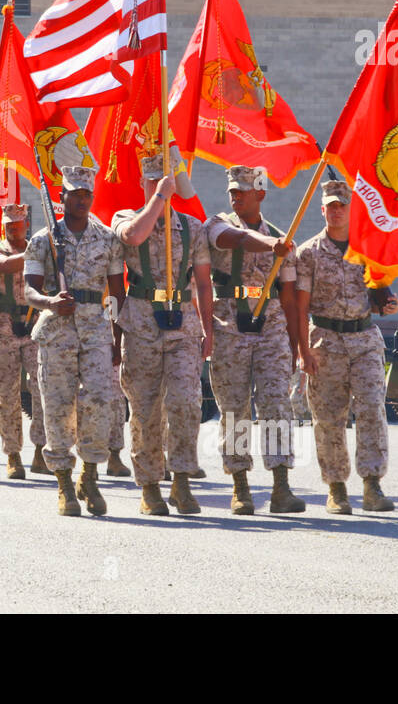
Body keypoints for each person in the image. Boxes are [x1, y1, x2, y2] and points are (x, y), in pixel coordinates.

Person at [111, 153, 214, 516]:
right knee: (145, 410)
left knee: (186, 402)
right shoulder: (125, 218)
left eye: (164, 180)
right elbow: (133, 235)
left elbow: (204, 283)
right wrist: (159, 198)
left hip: (183, 325)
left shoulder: (192, 227)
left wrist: (208, 329)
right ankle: (150, 485)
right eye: (152, 181)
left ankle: (181, 480)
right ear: (143, 184)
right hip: (141, 326)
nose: (159, 186)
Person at [23, 166, 126, 517]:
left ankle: (90, 475)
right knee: (57, 405)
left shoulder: (107, 239)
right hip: (57, 332)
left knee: (99, 399)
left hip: (96, 328)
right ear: (62, 197)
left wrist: (116, 335)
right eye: (75, 194)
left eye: (87, 194)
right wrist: (50, 302)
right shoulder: (44, 239)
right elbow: (29, 290)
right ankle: (64, 483)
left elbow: (117, 291)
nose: (82, 200)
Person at [296, 179, 398, 514]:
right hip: (325, 342)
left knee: (372, 410)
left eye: (342, 205)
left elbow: (380, 291)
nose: (337, 211)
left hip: (364, 340)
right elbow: (300, 306)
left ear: (351, 209)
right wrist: (302, 351)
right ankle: (336, 488)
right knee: (328, 416)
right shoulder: (308, 253)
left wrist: (388, 304)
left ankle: (372, 484)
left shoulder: (369, 248)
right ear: (322, 209)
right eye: (331, 206)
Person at [206, 165, 303, 515]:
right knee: (234, 408)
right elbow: (234, 239)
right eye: (232, 191)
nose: (235, 197)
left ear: (260, 194)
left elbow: (289, 297)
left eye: (242, 191)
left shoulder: (282, 239)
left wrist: (294, 345)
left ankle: (281, 486)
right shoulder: (217, 224)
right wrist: (271, 246)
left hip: (271, 329)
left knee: (277, 404)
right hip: (229, 325)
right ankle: (240, 487)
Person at [0, 203, 48, 479]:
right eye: (9, 226)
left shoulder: (41, 250)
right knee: (7, 395)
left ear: (26, 225)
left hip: (33, 326)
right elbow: (1, 265)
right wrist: (38, 252)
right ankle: (13, 455)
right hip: (2, 329)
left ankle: (40, 450)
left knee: (43, 389)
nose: (13, 230)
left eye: (18, 225)